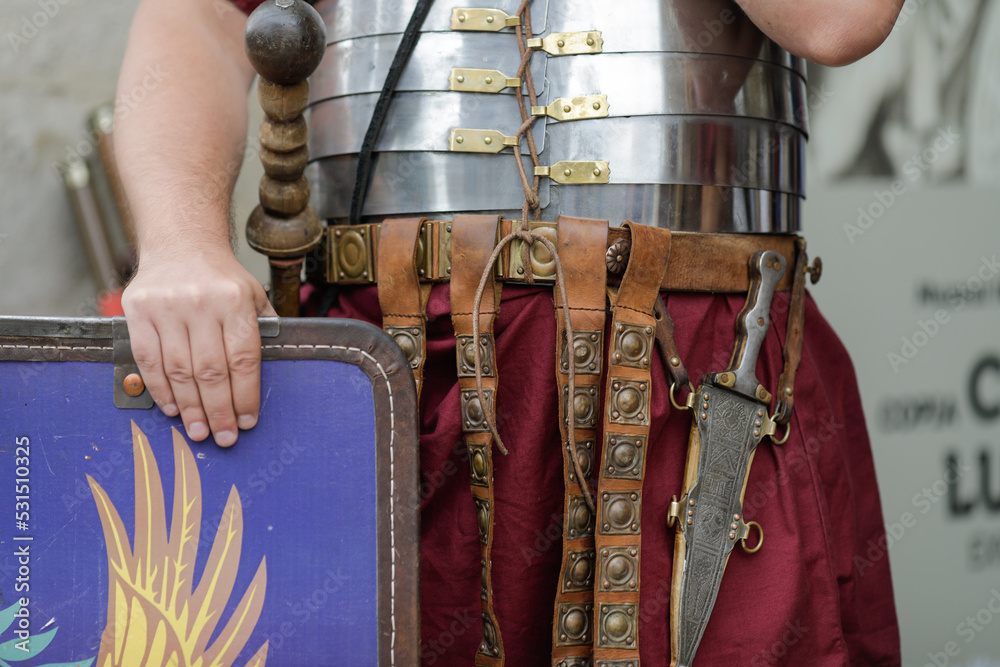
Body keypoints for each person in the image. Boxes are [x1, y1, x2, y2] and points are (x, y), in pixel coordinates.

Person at [115, 0, 905, 663]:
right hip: (398, 372)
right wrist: (183, 239)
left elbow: (838, 19)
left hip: (698, 381)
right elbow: (206, 15)